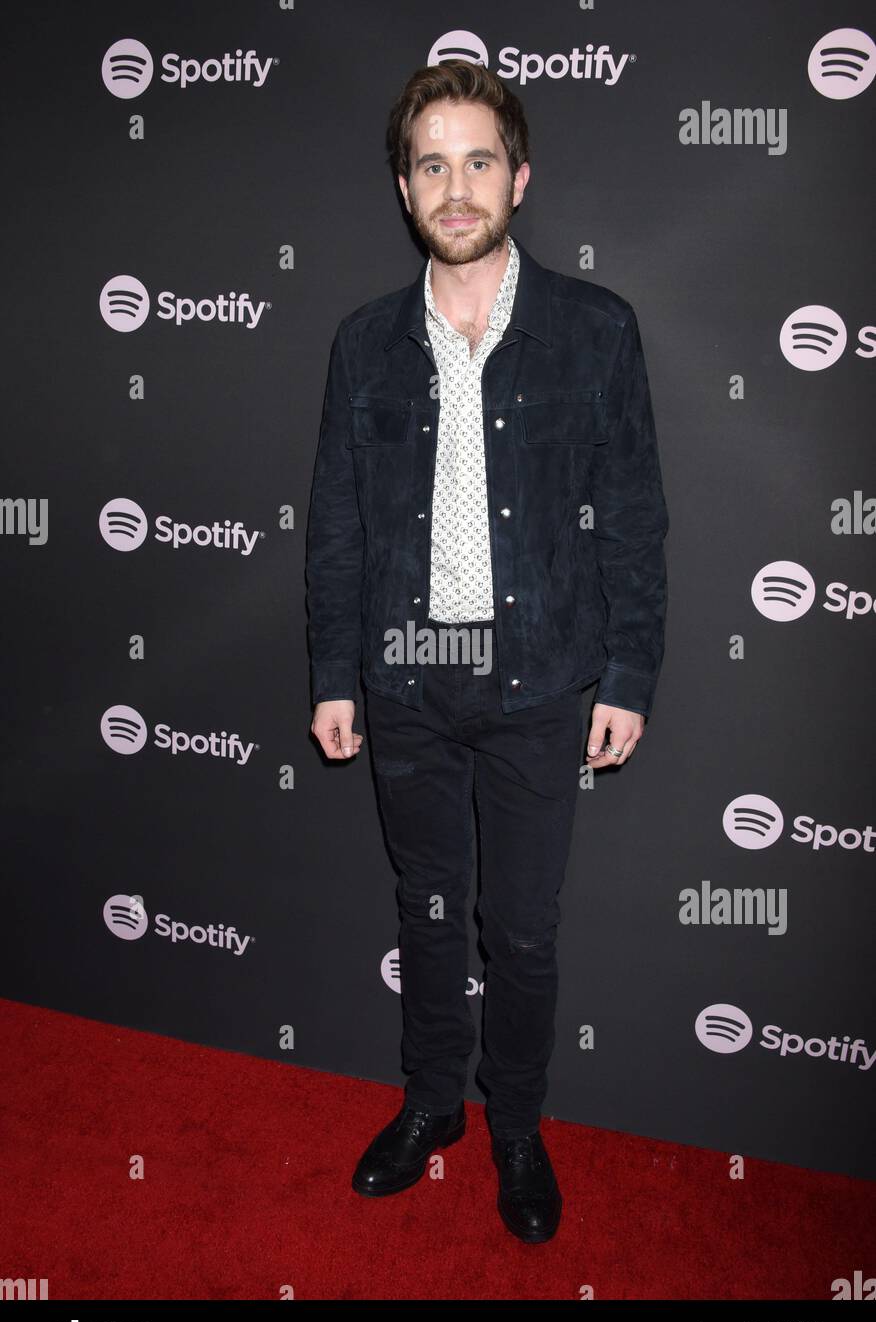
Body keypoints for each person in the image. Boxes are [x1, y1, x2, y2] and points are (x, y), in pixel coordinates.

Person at [305, 59, 669, 1244]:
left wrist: (628, 674)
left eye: (477, 162)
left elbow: (633, 517)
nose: (454, 188)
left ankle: (515, 1123)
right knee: (425, 908)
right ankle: (432, 1104)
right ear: (403, 187)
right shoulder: (364, 343)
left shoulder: (595, 331)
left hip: (537, 680)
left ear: (520, 177)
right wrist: (334, 673)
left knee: (519, 930)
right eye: (431, 165)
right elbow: (339, 524)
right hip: (407, 677)